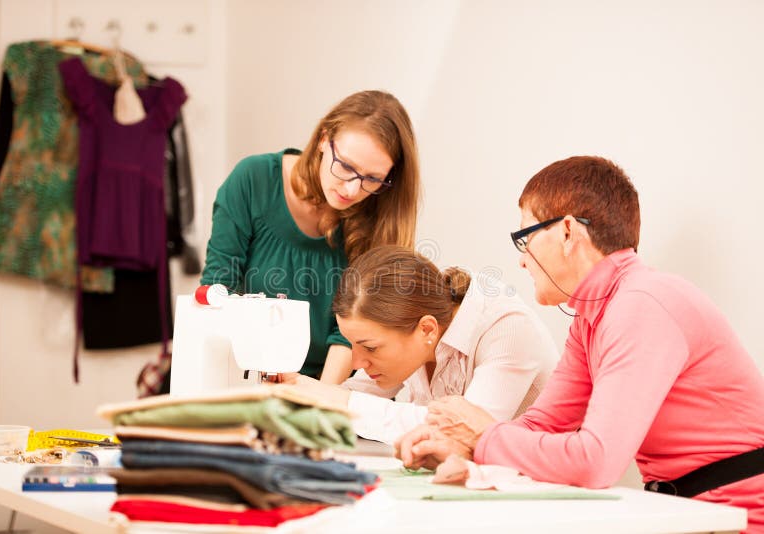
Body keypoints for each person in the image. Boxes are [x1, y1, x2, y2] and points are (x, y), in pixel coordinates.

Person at [397, 156, 764, 531]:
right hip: (693, 513)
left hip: (741, 519)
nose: (522, 262)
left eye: (525, 239)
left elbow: (596, 461)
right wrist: (463, 448)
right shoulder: (594, 316)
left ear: (568, 232)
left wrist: (482, 437)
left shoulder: (641, 304)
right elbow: (545, 423)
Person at [201, 91, 420, 383]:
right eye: (345, 167)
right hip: (243, 374)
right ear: (322, 140)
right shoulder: (254, 180)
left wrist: (319, 397)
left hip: (325, 382)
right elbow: (218, 289)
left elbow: (351, 330)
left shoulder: (379, 214)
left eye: (372, 178)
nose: (352, 191)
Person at [286, 244, 559, 444]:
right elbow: (358, 396)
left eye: (369, 347)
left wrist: (337, 400)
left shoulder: (508, 328)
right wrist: (295, 402)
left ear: (426, 329)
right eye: (352, 345)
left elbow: (463, 434)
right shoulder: (418, 322)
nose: (356, 362)